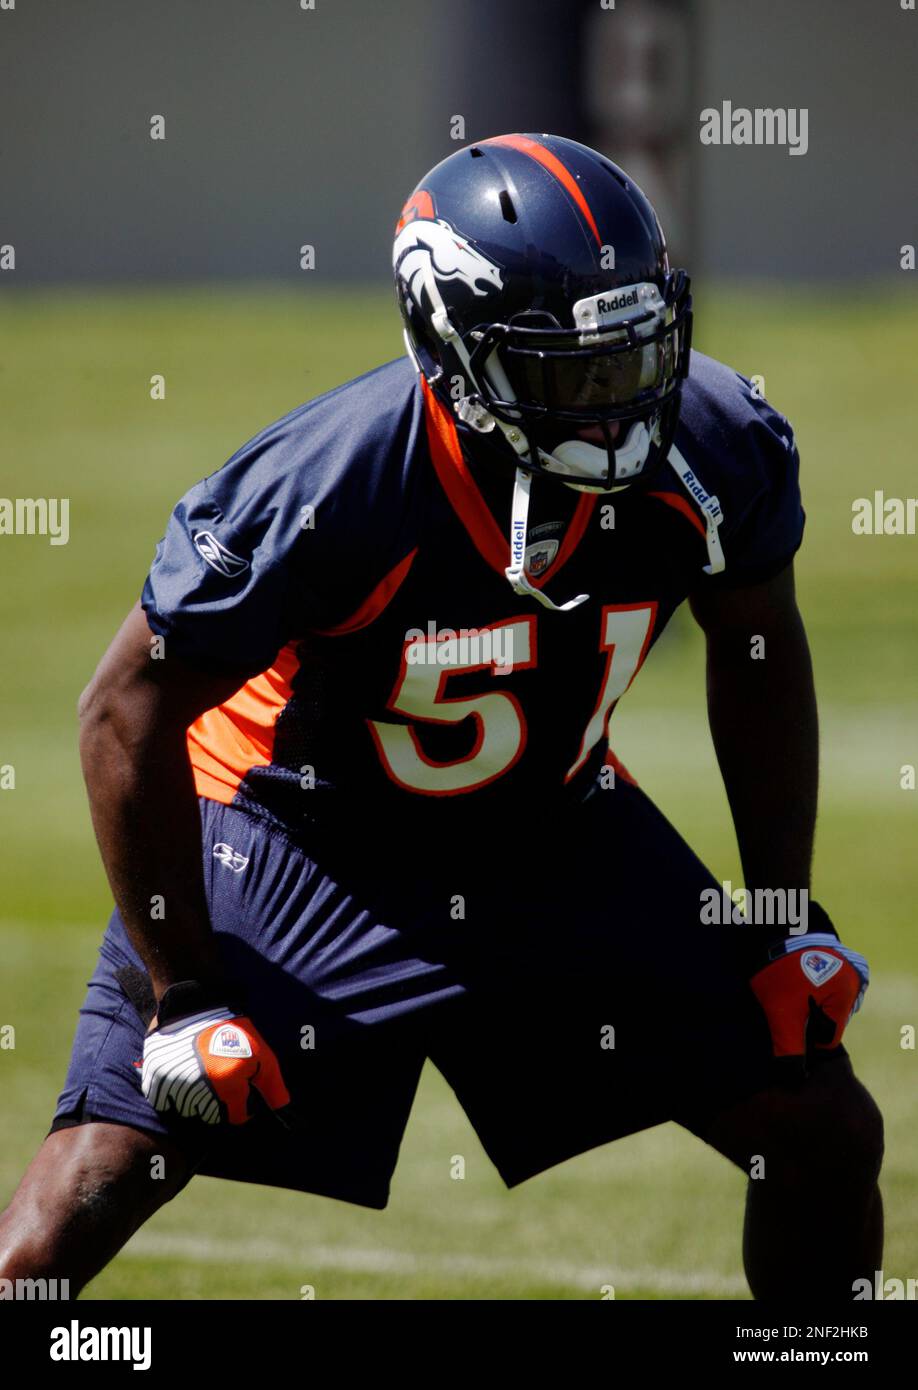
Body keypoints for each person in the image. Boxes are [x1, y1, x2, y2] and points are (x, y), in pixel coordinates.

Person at [0, 135, 882, 1300]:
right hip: (295, 834)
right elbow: (123, 712)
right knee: (93, 1189)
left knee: (818, 1118)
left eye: (635, 351)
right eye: (573, 369)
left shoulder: (717, 444)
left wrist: (783, 914)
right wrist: (187, 996)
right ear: (458, 353)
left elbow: (759, 649)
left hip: (550, 826)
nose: (619, 399)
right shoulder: (332, 485)